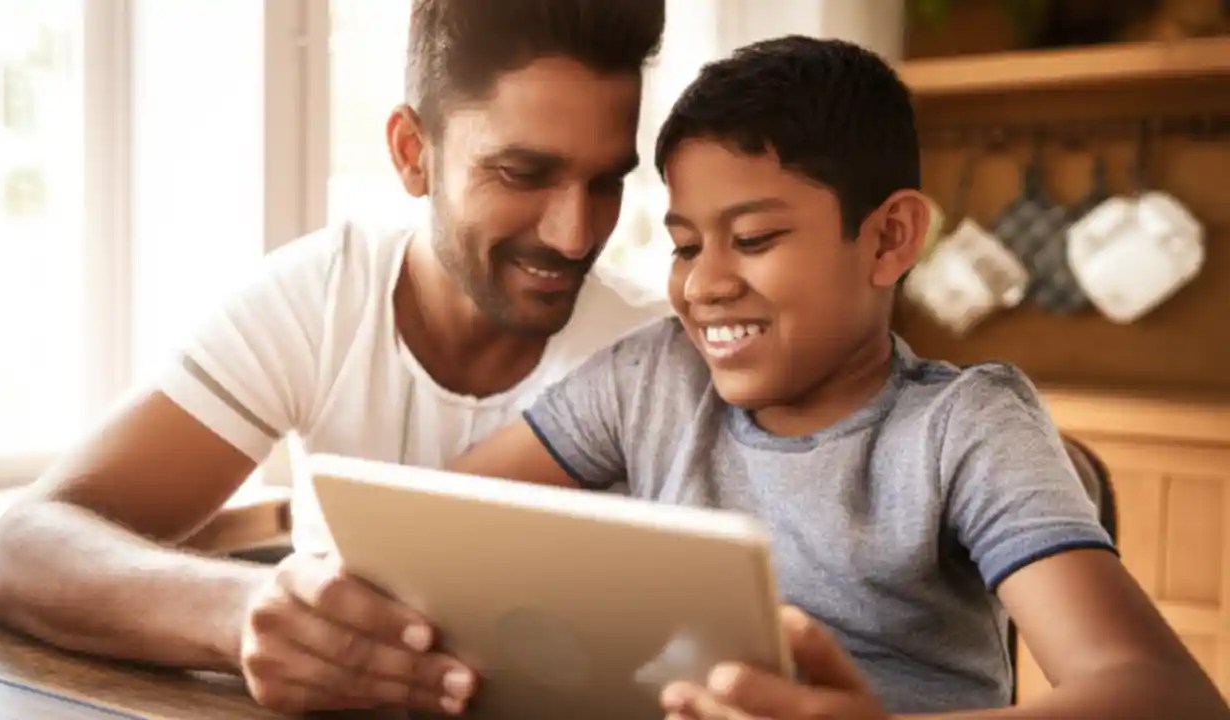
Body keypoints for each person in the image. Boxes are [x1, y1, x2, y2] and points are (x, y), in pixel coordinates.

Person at [450, 36, 1230, 718]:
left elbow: (1168, 698)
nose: (703, 284)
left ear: (889, 239)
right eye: (686, 246)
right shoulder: (649, 378)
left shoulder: (965, 429)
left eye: (754, 238)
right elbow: (441, 526)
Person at [0, 0, 667, 714]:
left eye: (606, 182)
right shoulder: (323, 299)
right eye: (522, 173)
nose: (576, 234)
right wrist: (242, 613)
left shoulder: (664, 353)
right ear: (412, 153)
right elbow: (20, 550)